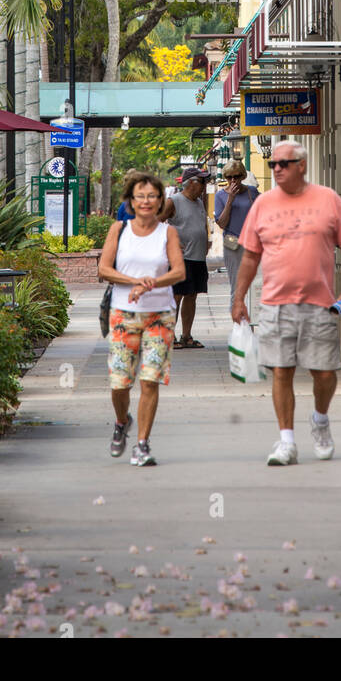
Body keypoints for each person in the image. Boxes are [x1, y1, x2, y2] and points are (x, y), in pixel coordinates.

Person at [231, 141, 341, 466]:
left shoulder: (328, 199)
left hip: (320, 303)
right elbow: (250, 256)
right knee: (281, 371)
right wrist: (238, 298)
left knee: (324, 373)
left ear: (301, 166)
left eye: (283, 164)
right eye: (274, 164)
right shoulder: (262, 204)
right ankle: (286, 441)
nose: (276, 169)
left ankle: (320, 419)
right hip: (275, 304)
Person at [98, 172, 186, 466]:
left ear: (161, 200)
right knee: (120, 382)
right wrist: (136, 280)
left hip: (160, 316)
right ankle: (122, 421)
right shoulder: (119, 230)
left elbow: (178, 272)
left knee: (150, 380)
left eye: (152, 196)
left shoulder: (167, 233)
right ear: (131, 201)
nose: (146, 201)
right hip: (123, 314)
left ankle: (142, 444)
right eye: (140, 196)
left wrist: (151, 284)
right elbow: (104, 269)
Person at [163, 165, 210, 348]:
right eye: (202, 182)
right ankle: (170, 336)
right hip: (180, 258)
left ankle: (186, 335)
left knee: (192, 296)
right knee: (176, 296)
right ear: (191, 183)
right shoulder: (173, 201)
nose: (204, 186)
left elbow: (201, 224)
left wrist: (206, 241)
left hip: (198, 258)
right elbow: (157, 224)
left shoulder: (199, 201)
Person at [214, 160, 259, 312]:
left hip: (253, 243)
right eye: (229, 177)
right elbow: (222, 223)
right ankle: (238, 325)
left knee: (255, 283)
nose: (233, 180)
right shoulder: (220, 196)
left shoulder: (251, 192)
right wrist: (230, 199)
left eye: (237, 176)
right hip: (233, 244)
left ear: (243, 176)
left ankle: (252, 320)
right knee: (237, 284)